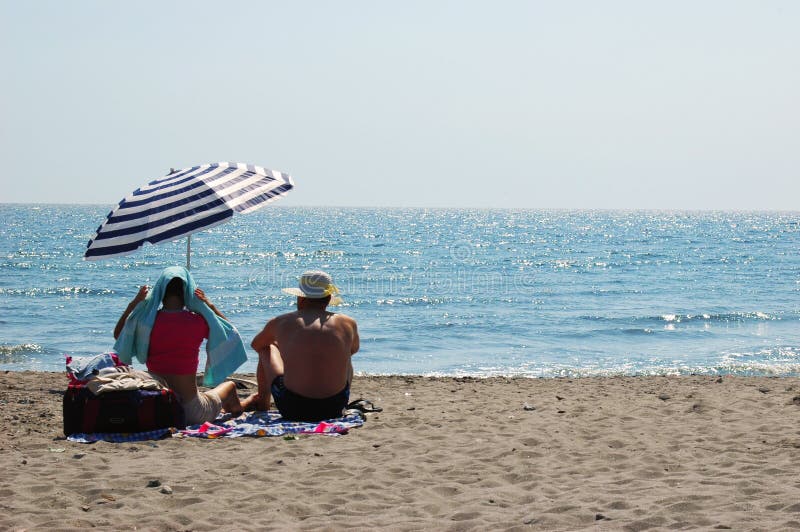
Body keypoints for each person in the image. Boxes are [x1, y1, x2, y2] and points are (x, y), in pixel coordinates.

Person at [113, 271, 243, 425]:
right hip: (190, 412)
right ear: (187, 293)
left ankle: (232, 406)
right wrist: (209, 305)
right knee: (230, 386)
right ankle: (237, 407)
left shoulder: (146, 323)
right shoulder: (198, 321)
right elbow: (229, 334)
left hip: (160, 406)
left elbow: (118, 335)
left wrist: (134, 304)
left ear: (160, 293)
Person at [241, 270, 359, 421]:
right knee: (346, 353)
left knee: (267, 347)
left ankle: (262, 402)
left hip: (293, 408)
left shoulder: (281, 322)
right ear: (329, 299)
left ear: (301, 298)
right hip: (334, 408)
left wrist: (286, 348)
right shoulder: (348, 323)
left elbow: (257, 345)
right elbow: (353, 349)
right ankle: (339, 399)